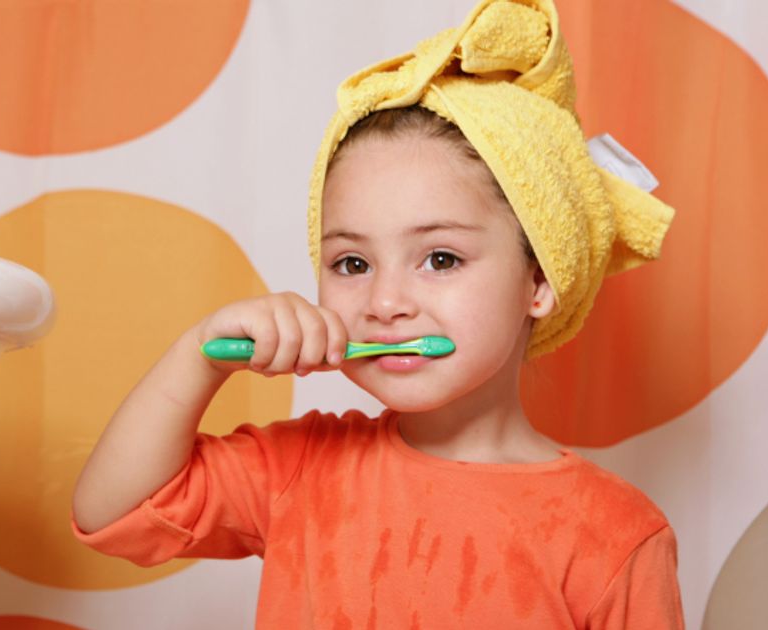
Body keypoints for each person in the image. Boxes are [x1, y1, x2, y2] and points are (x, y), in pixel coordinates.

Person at [72, 0, 685, 627]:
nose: (385, 304)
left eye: (440, 259)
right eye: (353, 265)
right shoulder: (300, 468)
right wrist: (199, 355)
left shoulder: (618, 534)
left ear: (538, 279)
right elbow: (114, 512)